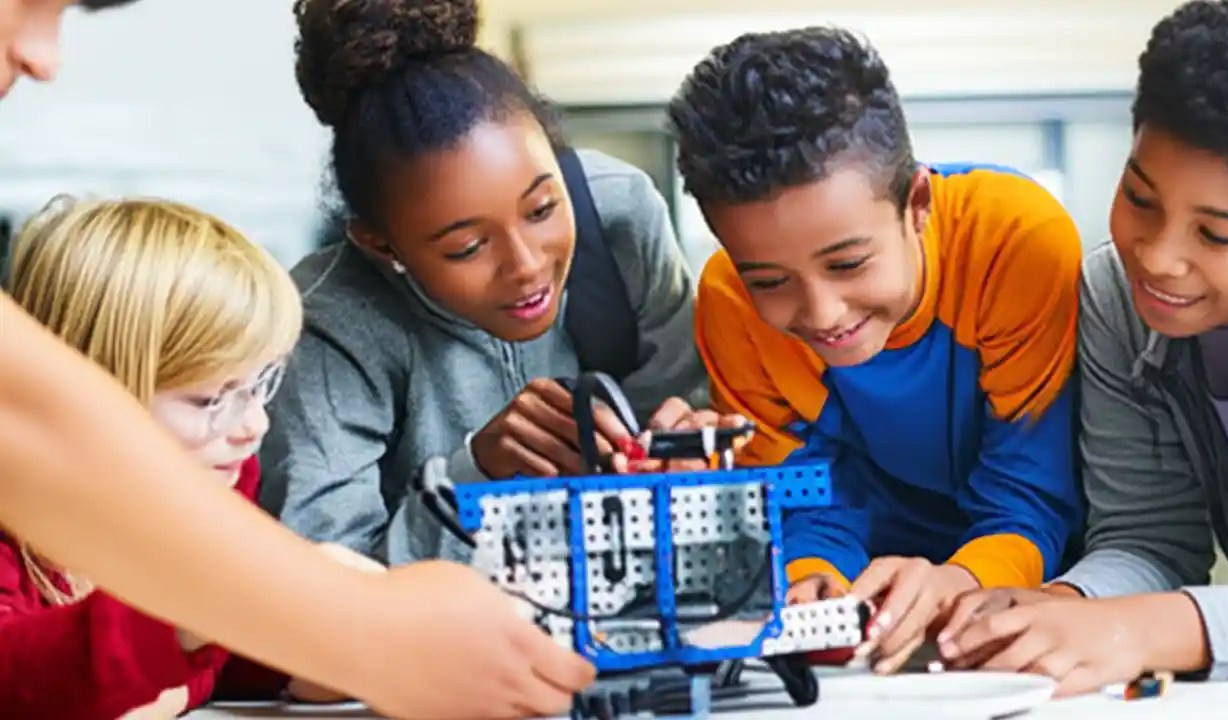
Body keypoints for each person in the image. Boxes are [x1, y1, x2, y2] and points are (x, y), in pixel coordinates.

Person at [0, 3, 595, 717]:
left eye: (261, 387)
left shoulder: (225, 482)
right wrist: (240, 605)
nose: (45, 56)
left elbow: (244, 663)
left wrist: (326, 632)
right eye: (207, 400)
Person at [667, 26, 1084, 674]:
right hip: (866, 624)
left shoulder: (1016, 240)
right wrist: (811, 584)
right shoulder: (728, 300)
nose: (822, 314)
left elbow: (1033, 495)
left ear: (916, 203)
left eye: (849, 262)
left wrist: (963, 581)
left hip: (1030, 590)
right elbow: (802, 495)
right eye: (769, 281)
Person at [260, 0, 722, 564]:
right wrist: (472, 477)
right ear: (380, 245)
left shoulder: (617, 217)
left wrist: (686, 450)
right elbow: (323, 581)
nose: (527, 265)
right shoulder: (328, 323)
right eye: (467, 247)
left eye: (543, 207)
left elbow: (681, 410)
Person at [936, 0, 1228, 695]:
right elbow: (1149, 536)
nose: (1157, 258)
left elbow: (1157, 621)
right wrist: (1068, 609)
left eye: (1217, 235)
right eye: (1140, 197)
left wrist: (1146, 629)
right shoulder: (1117, 298)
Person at [1, 196, 369, 717]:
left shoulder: (215, 476)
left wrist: (314, 651)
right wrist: (209, 603)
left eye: (263, 383)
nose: (254, 426)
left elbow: (212, 663)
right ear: (96, 391)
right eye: (209, 399)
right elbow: (15, 679)